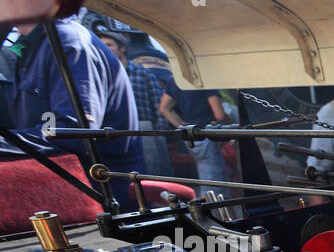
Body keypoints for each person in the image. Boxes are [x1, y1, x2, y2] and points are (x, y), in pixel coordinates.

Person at [0, 16, 145, 206]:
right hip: (60, 194)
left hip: (102, 200)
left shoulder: (68, 43)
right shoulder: (30, 48)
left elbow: (74, 133)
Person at [93, 25, 172, 176]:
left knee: (153, 172)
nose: (105, 48)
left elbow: (158, 101)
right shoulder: (101, 75)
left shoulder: (143, 73)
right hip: (113, 131)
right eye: (102, 45)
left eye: (109, 45)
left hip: (143, 129)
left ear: (122, 48)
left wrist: (158, 133)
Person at [157, 68, 232, 198]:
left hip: (192, 137)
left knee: (211, 182)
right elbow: (219, 115)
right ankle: (217, 217)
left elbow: (164, 108)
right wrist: (231, 123)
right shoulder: (204, 79)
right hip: (207, 135)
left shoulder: (177, 80)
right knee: (214, 187)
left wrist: (184, 127)